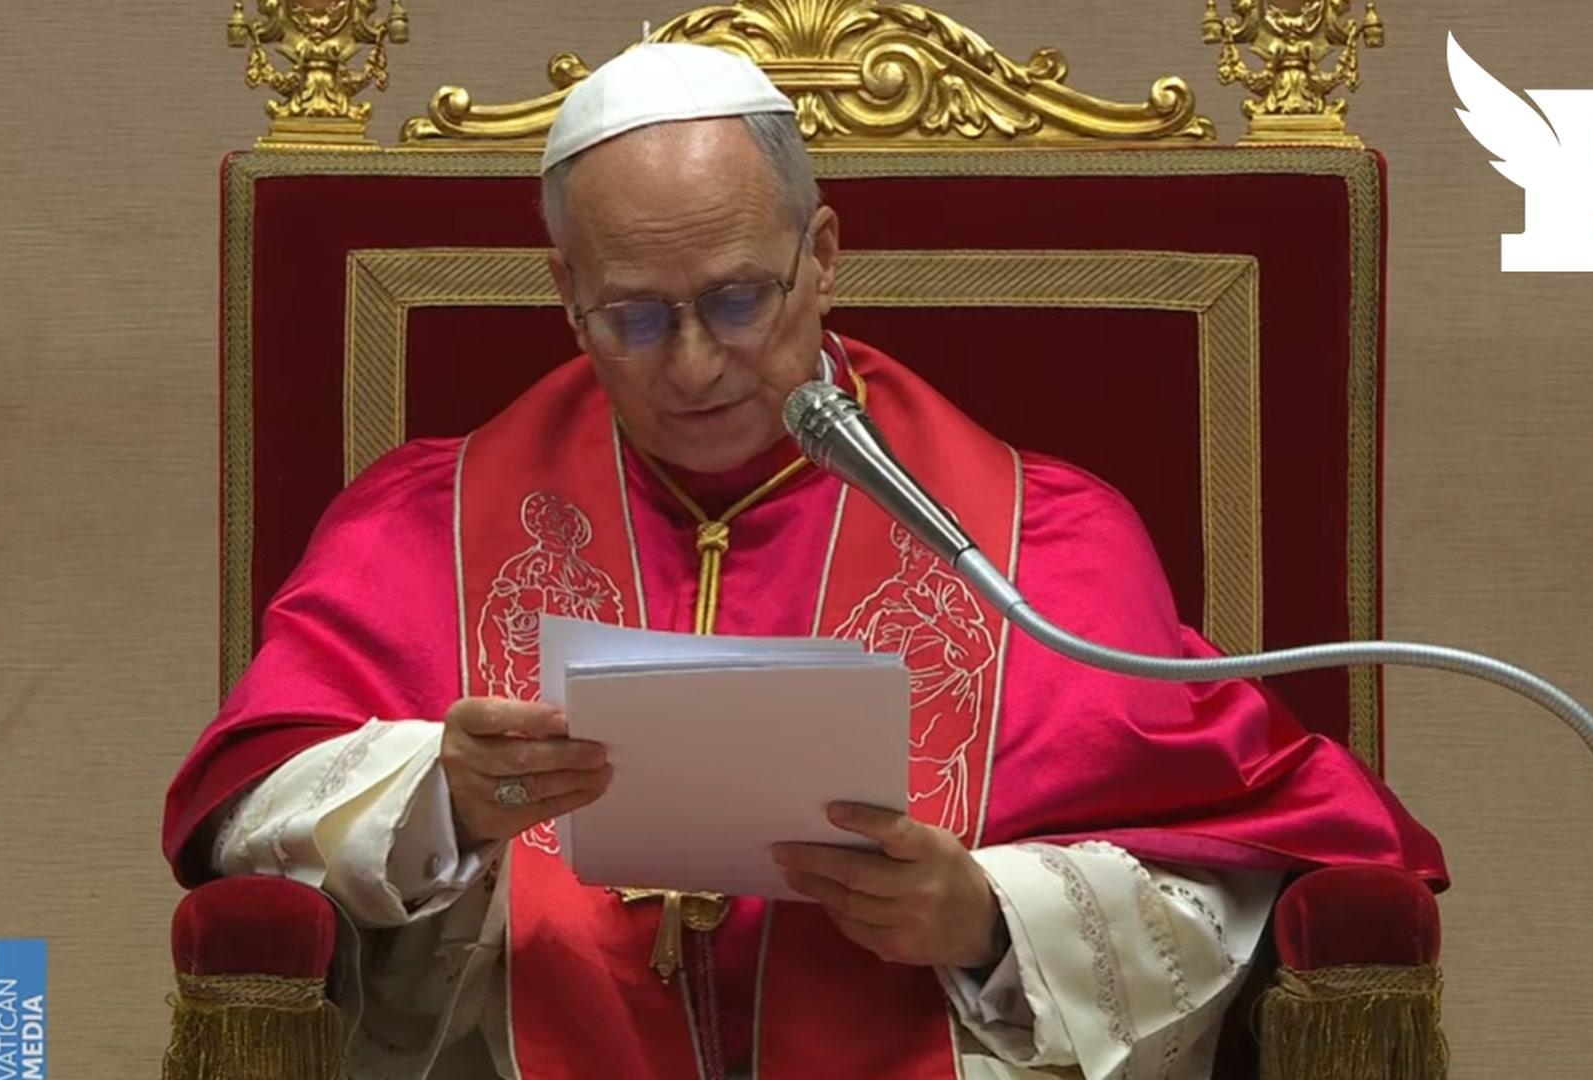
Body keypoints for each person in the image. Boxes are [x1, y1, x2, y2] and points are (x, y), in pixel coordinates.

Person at [162, 42, 1445, 1080]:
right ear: (565, 288)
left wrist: (992, 919)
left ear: (822, 257)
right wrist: (437, 794)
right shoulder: (422, 526)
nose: (694, 363)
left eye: (735, 299)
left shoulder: (1037, 543)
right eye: (634, 316)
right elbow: (247, 813)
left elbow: (1236, 876)